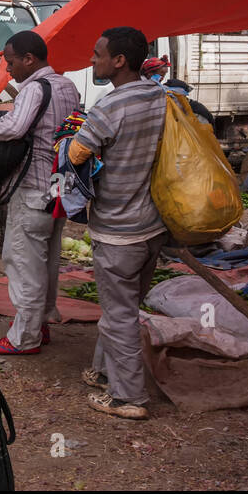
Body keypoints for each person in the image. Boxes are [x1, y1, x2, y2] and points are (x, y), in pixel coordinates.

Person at [64, 27, 166, 421]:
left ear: (119, 61)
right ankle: (104, 370)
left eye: (97, 54)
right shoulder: (161, 95)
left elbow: (76, 153)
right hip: (154, 226)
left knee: (120, 312)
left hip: (119, 230)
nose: (92, 60)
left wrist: (69, 133)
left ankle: (128, 398)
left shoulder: (110, 107)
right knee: (123, 306)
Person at [0, 30, 80, 355]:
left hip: (33, 188)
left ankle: (23, 339)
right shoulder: (68, 86)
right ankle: (39, 324)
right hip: (59, 187)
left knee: (23, 261)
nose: (9, 71)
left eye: (12, 63)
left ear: (29, 59)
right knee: (47, 259)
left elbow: (14, 127)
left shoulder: (33, 89)